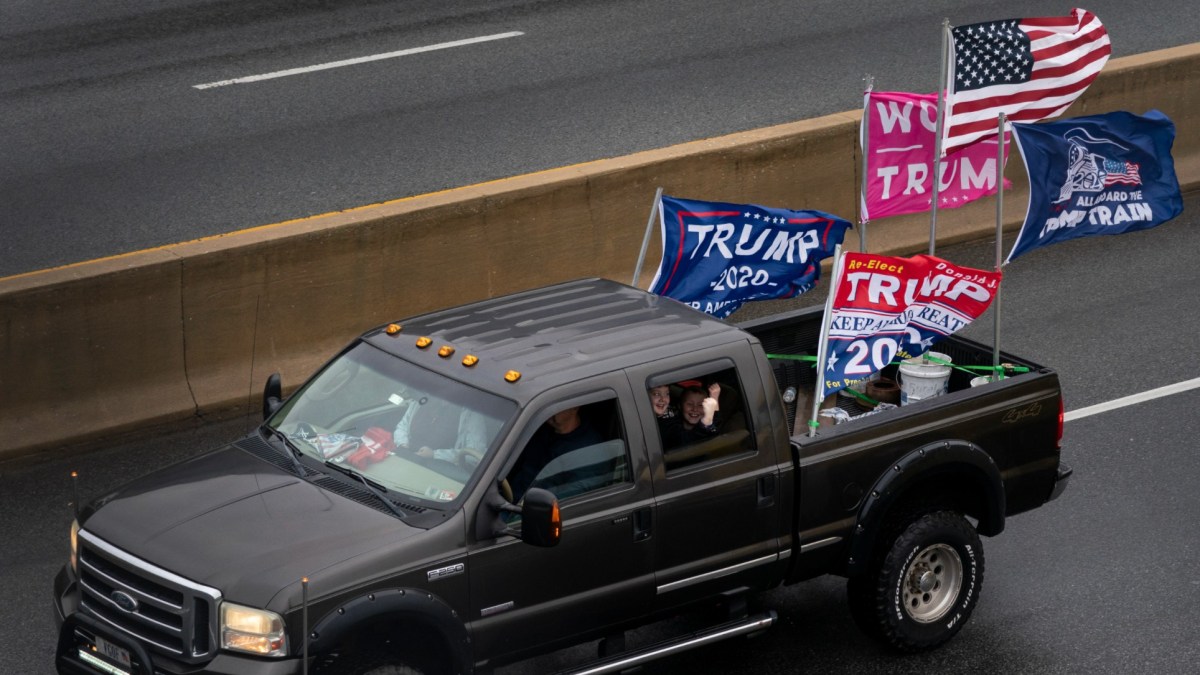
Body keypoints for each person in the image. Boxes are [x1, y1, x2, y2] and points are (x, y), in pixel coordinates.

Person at [507, 406, 603, 501]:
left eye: (556, 406)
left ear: (575, 407)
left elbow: (573, 495)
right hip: (509, 497)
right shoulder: (539, 429)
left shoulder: (589, 450)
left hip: (535, 508)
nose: (549, 409)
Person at [393, 395, 493, 470]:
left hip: (440, 469)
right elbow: (402, 426)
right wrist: (403, 444)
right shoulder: (421, 401)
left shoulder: (470, 414)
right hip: (407, 458)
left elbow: (475, 454)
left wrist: (434, 454)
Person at [657, 381, 720, 449]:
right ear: (680, 406)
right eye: (690, 404)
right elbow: (685, 443)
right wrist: (706, 420)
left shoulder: (710, 428)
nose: (695, 409)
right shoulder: (670, 426)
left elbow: (716, 425)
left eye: (700, 405)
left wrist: (714, 399)